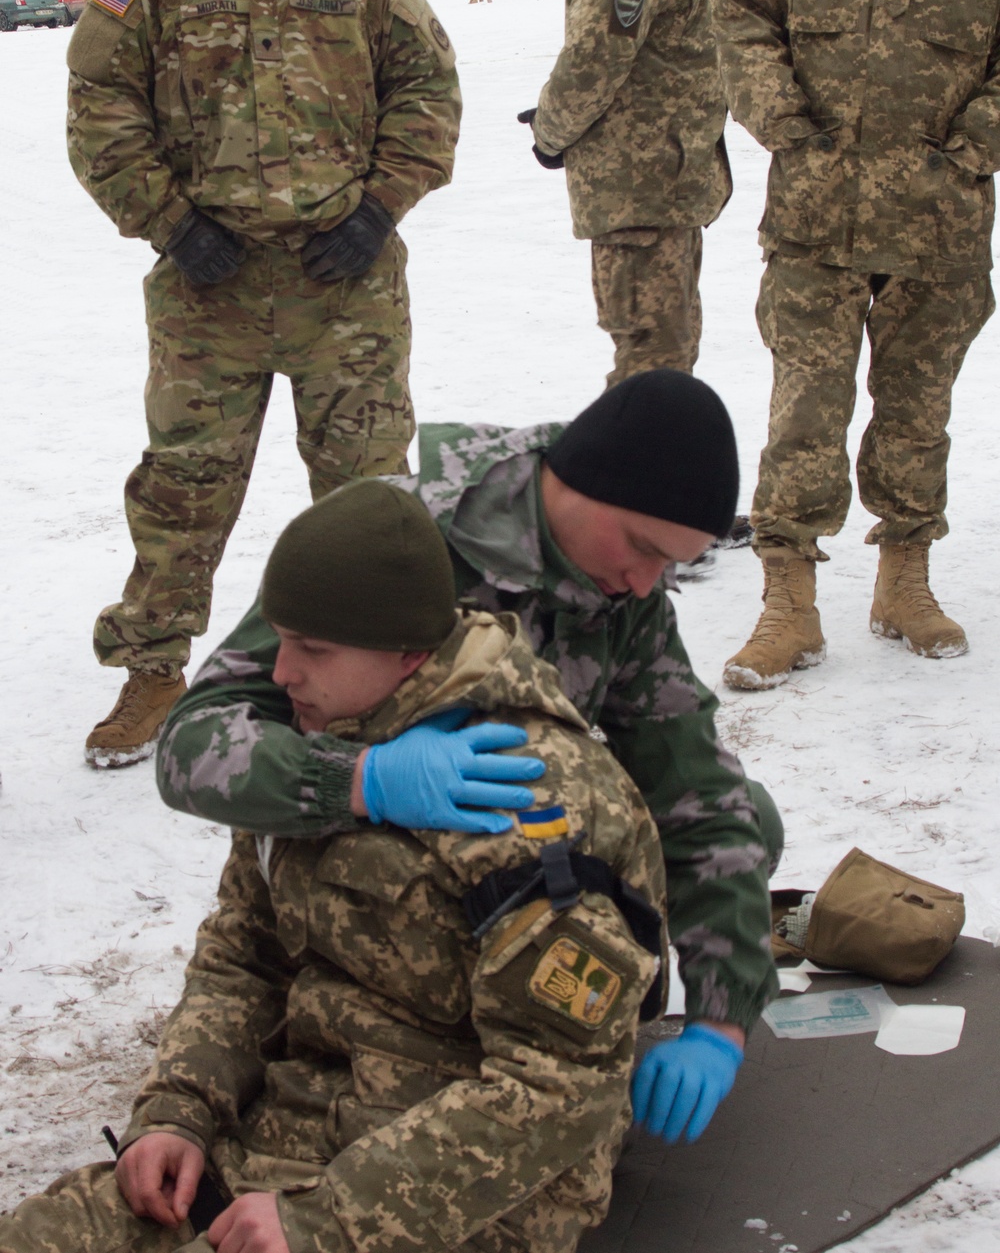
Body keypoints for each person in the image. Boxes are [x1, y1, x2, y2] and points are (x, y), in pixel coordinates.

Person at [0, 480, 673, 1253]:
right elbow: (243, 954)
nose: (280, 672)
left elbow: (560, 1089)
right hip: (279, 1144)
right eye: (283, 638)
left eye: (312, 649)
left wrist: (325, 1222)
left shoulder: (527, 798)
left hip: (454, 1206)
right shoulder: (318, 754)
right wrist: (179, 1109)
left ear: (407, 652)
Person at [158, 369, 781, 1142]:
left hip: (499, 859)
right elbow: (193, 738)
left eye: (673, 566)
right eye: (646, 549)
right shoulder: (394, 539)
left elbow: (698, 795)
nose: (648, 581)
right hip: (357, 864)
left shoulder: (624, 595)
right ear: (585, 488)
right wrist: (359, 780)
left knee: (752, 820)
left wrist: (722, 1020)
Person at [66, 0, 461, 766]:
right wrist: (168, 221)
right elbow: (99, 112)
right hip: (212, 282)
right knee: (183, 482)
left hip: (346, 282)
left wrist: (378, 209)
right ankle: (153, 671)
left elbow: (428, 88)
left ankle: (380, 674)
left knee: (369, 490)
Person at [714, 0, 998, 689]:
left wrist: (974, 146)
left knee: (918, 408)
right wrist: (780, 117)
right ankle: (788, 602)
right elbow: (740, 12)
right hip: (817, 209)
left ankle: (904, 582)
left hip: (940, 217)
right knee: (805, 405)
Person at [520, 0, 732, 387]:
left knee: (667, 361)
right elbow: (593, 60)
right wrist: (550, 134)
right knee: (650, 371)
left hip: (664, 188)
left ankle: (652, 479)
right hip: (637, 197)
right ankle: (629, 480)